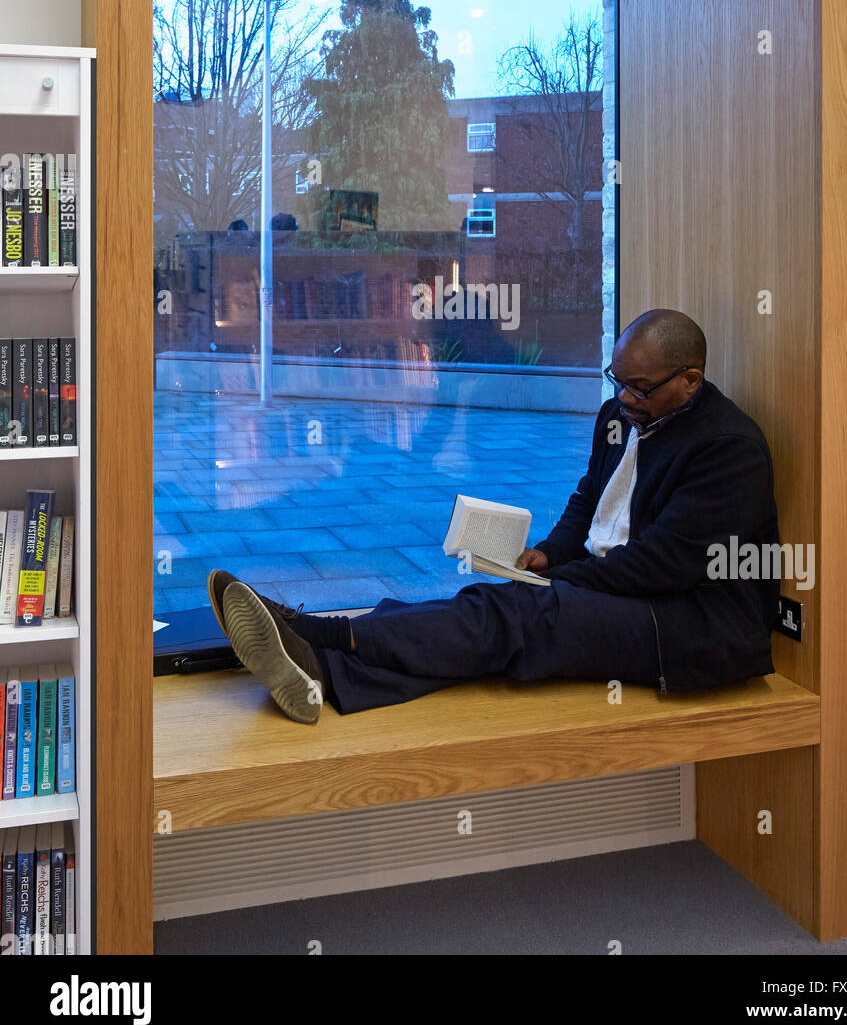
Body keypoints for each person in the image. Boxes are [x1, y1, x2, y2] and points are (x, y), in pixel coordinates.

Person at [207, 308, 781, 725]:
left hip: (685, 624)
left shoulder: (728, 449)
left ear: (690, 381)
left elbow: (666, 565)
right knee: (491, 614)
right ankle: (323, 671)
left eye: (640, 388)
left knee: (518, 614)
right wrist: (552, 553)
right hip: (626, 588)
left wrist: (555, 579)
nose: (625, 398)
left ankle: (316, 636)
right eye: (617, 380)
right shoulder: (619, 414)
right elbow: (589, 498)